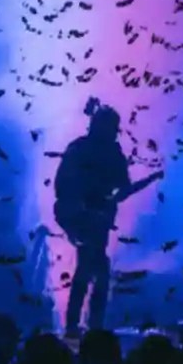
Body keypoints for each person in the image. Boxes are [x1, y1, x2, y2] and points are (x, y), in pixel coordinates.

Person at [54, 99, 161, 335]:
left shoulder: (96, 151)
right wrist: (80, 211)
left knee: (94, 268)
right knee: (92, 269)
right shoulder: (83, 150)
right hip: (84, 218)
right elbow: (63, 186)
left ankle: (85, 325)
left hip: (95, 219)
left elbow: (121, 189)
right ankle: (86, 326)